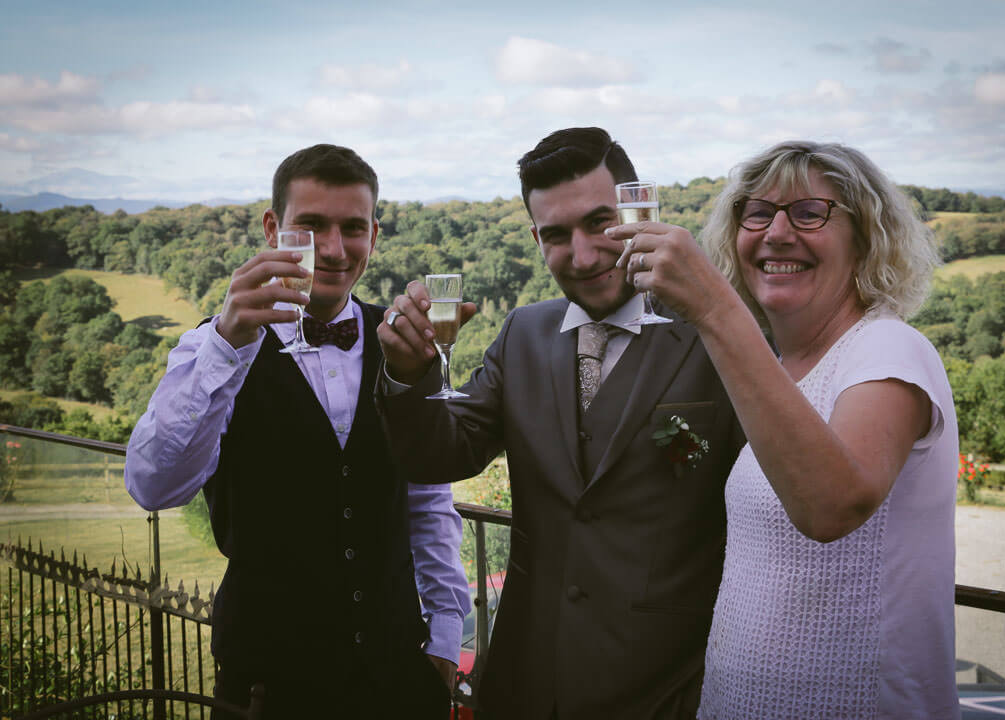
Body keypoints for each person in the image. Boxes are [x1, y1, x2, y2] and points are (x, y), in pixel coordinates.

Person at [375, 127, 743, 720]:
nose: (583, 254)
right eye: (556, 235)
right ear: (535, 237)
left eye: (600, 223)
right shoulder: (524, 332)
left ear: (639, 213)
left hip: (666, 692)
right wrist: (405, 375)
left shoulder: (718, 335)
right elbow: (440, 454)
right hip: (525, 686)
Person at [611, 140, 960, 719]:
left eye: (808, 213)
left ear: (865, 239)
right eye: (757, 212)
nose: (776, 233)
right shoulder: (779, 372)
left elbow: (830, 507)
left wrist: (716, 309)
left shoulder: (889, 347)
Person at [125, 144, 470, 719]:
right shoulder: (212, 349)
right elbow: (153, 486)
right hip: (268, 688)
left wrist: (444, 636)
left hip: (399, 680)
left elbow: (427, 497)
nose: (334, 250)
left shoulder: (402, 344)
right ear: (272, 229)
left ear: (375, 235)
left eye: (353, 228)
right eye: (311, 226)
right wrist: (227, 345)